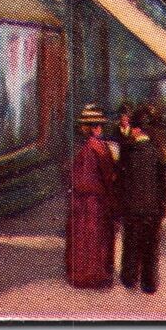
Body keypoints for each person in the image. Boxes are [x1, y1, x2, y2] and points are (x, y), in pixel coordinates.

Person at [118, 111, 166, 293]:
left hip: (132, 208)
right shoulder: (157, 152)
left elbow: (122, 182)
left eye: (132, 128)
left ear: (137, 130)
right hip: (152, 208)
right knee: (150, 247)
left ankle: (129, 278)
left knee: (131, 243)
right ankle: (149, 283)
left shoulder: (128, 152)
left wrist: (122, 206)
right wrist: (162, 207)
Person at [66, 104, 118, 289]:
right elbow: (98, 175)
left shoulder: (93, 147)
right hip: (94, 199)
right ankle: (93, 275)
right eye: (96, 126)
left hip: (90, 200)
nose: (99, 129)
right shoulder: (95, 148)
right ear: (90, 129)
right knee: (93, 236)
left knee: (90, 236)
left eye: (99, 126)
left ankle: (90, 274)